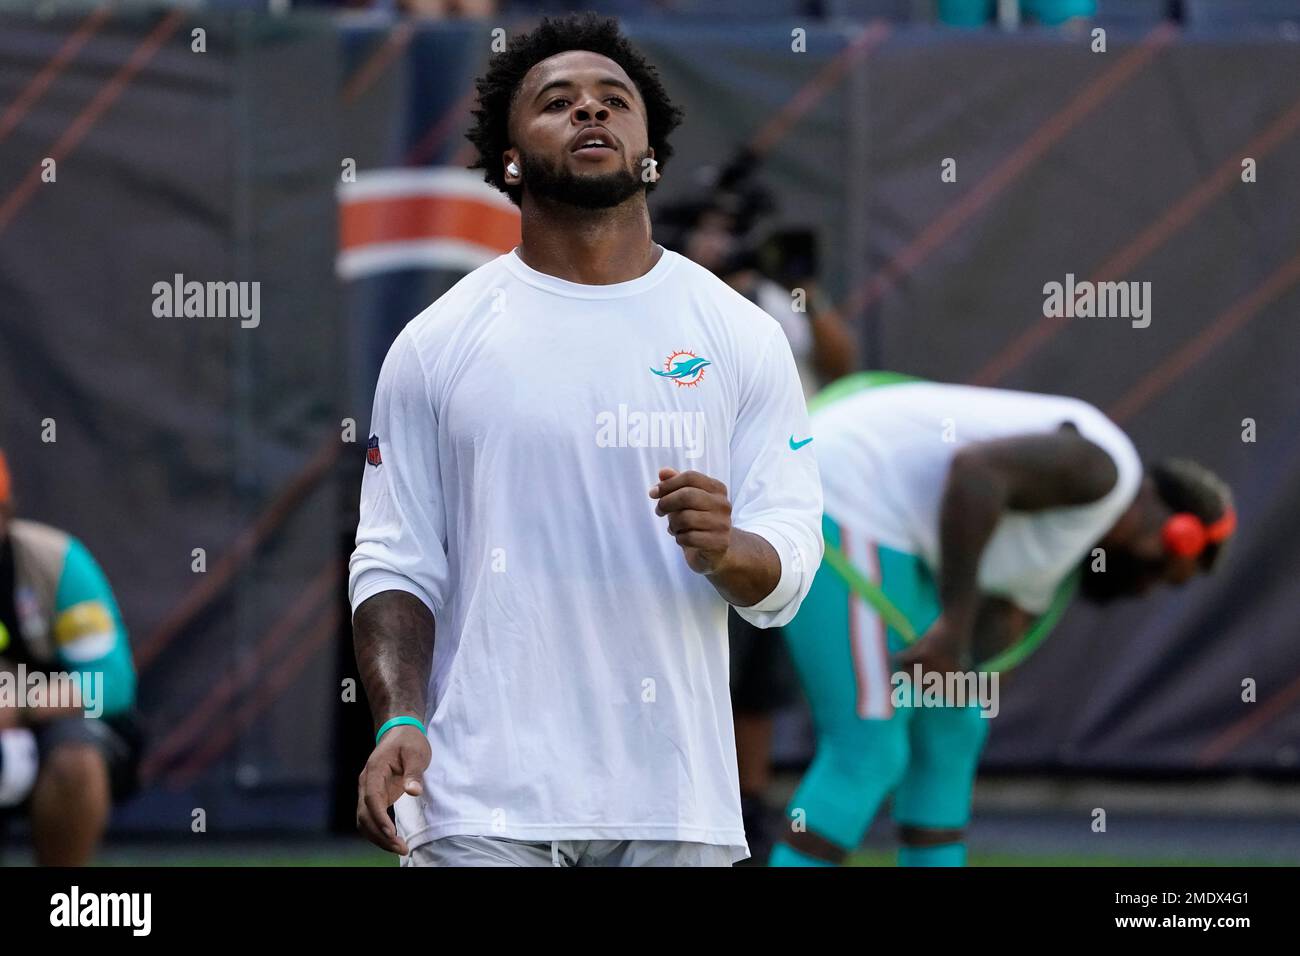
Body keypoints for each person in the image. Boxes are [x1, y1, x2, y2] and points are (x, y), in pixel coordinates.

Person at [349, 13, 823, 867]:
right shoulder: (435, 343)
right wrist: (400, 719)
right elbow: (393, 561)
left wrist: (727, 548)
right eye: (557, 101)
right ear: (508, 156)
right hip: (477, 795)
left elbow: (788, 566)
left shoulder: (741, 335)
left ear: (651, 150)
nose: (590, 113)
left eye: (614, 101)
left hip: (675, 797)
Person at [769, 373, 1235, 867]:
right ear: (1176, 535)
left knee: (954, 726)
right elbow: (975, 474)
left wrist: (968, 672)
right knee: (869, 742)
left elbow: (996, 634)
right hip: (847, 491)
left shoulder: (1069, 538)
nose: (1146, 590)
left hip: (898, 534)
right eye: (1163, 577)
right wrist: (952, 627)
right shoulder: (1104, 471)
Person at [0, 447, 142, 865]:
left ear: (5, 512)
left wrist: (19, 705)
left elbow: (111, 686)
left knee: (77, 762)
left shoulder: (58, 564)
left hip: (40, 730)